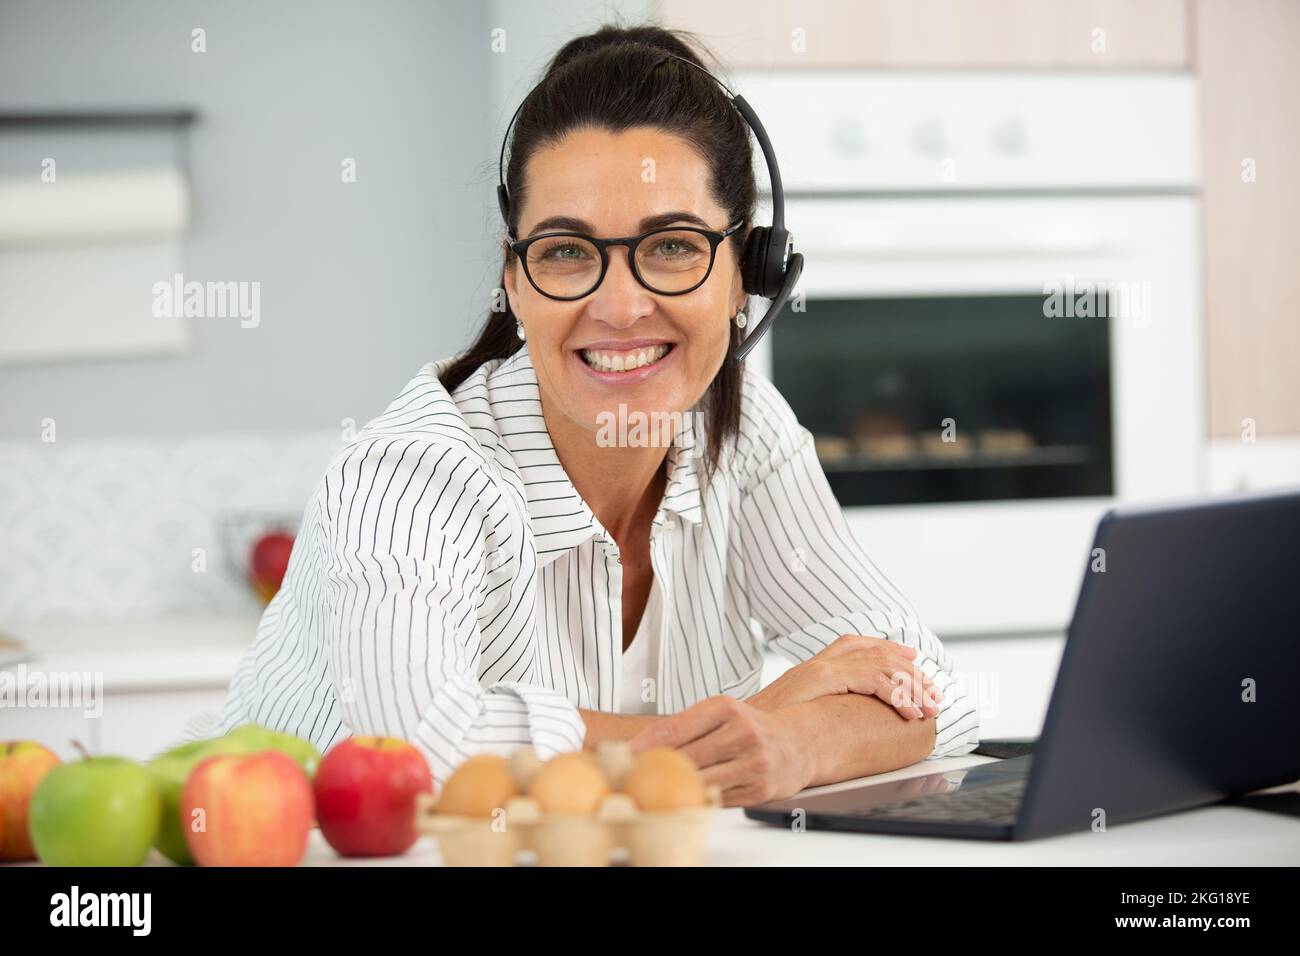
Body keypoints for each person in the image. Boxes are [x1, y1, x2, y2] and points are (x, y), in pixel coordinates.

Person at [221, 23, 979, 807]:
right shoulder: (413, 476)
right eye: (566, 252)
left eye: (674, 246)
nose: (619, 307)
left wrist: (792, 746)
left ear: (744, 274)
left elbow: (935, 695)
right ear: (513, 284)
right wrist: (759, 717)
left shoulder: (742, 424)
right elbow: (424, 752)